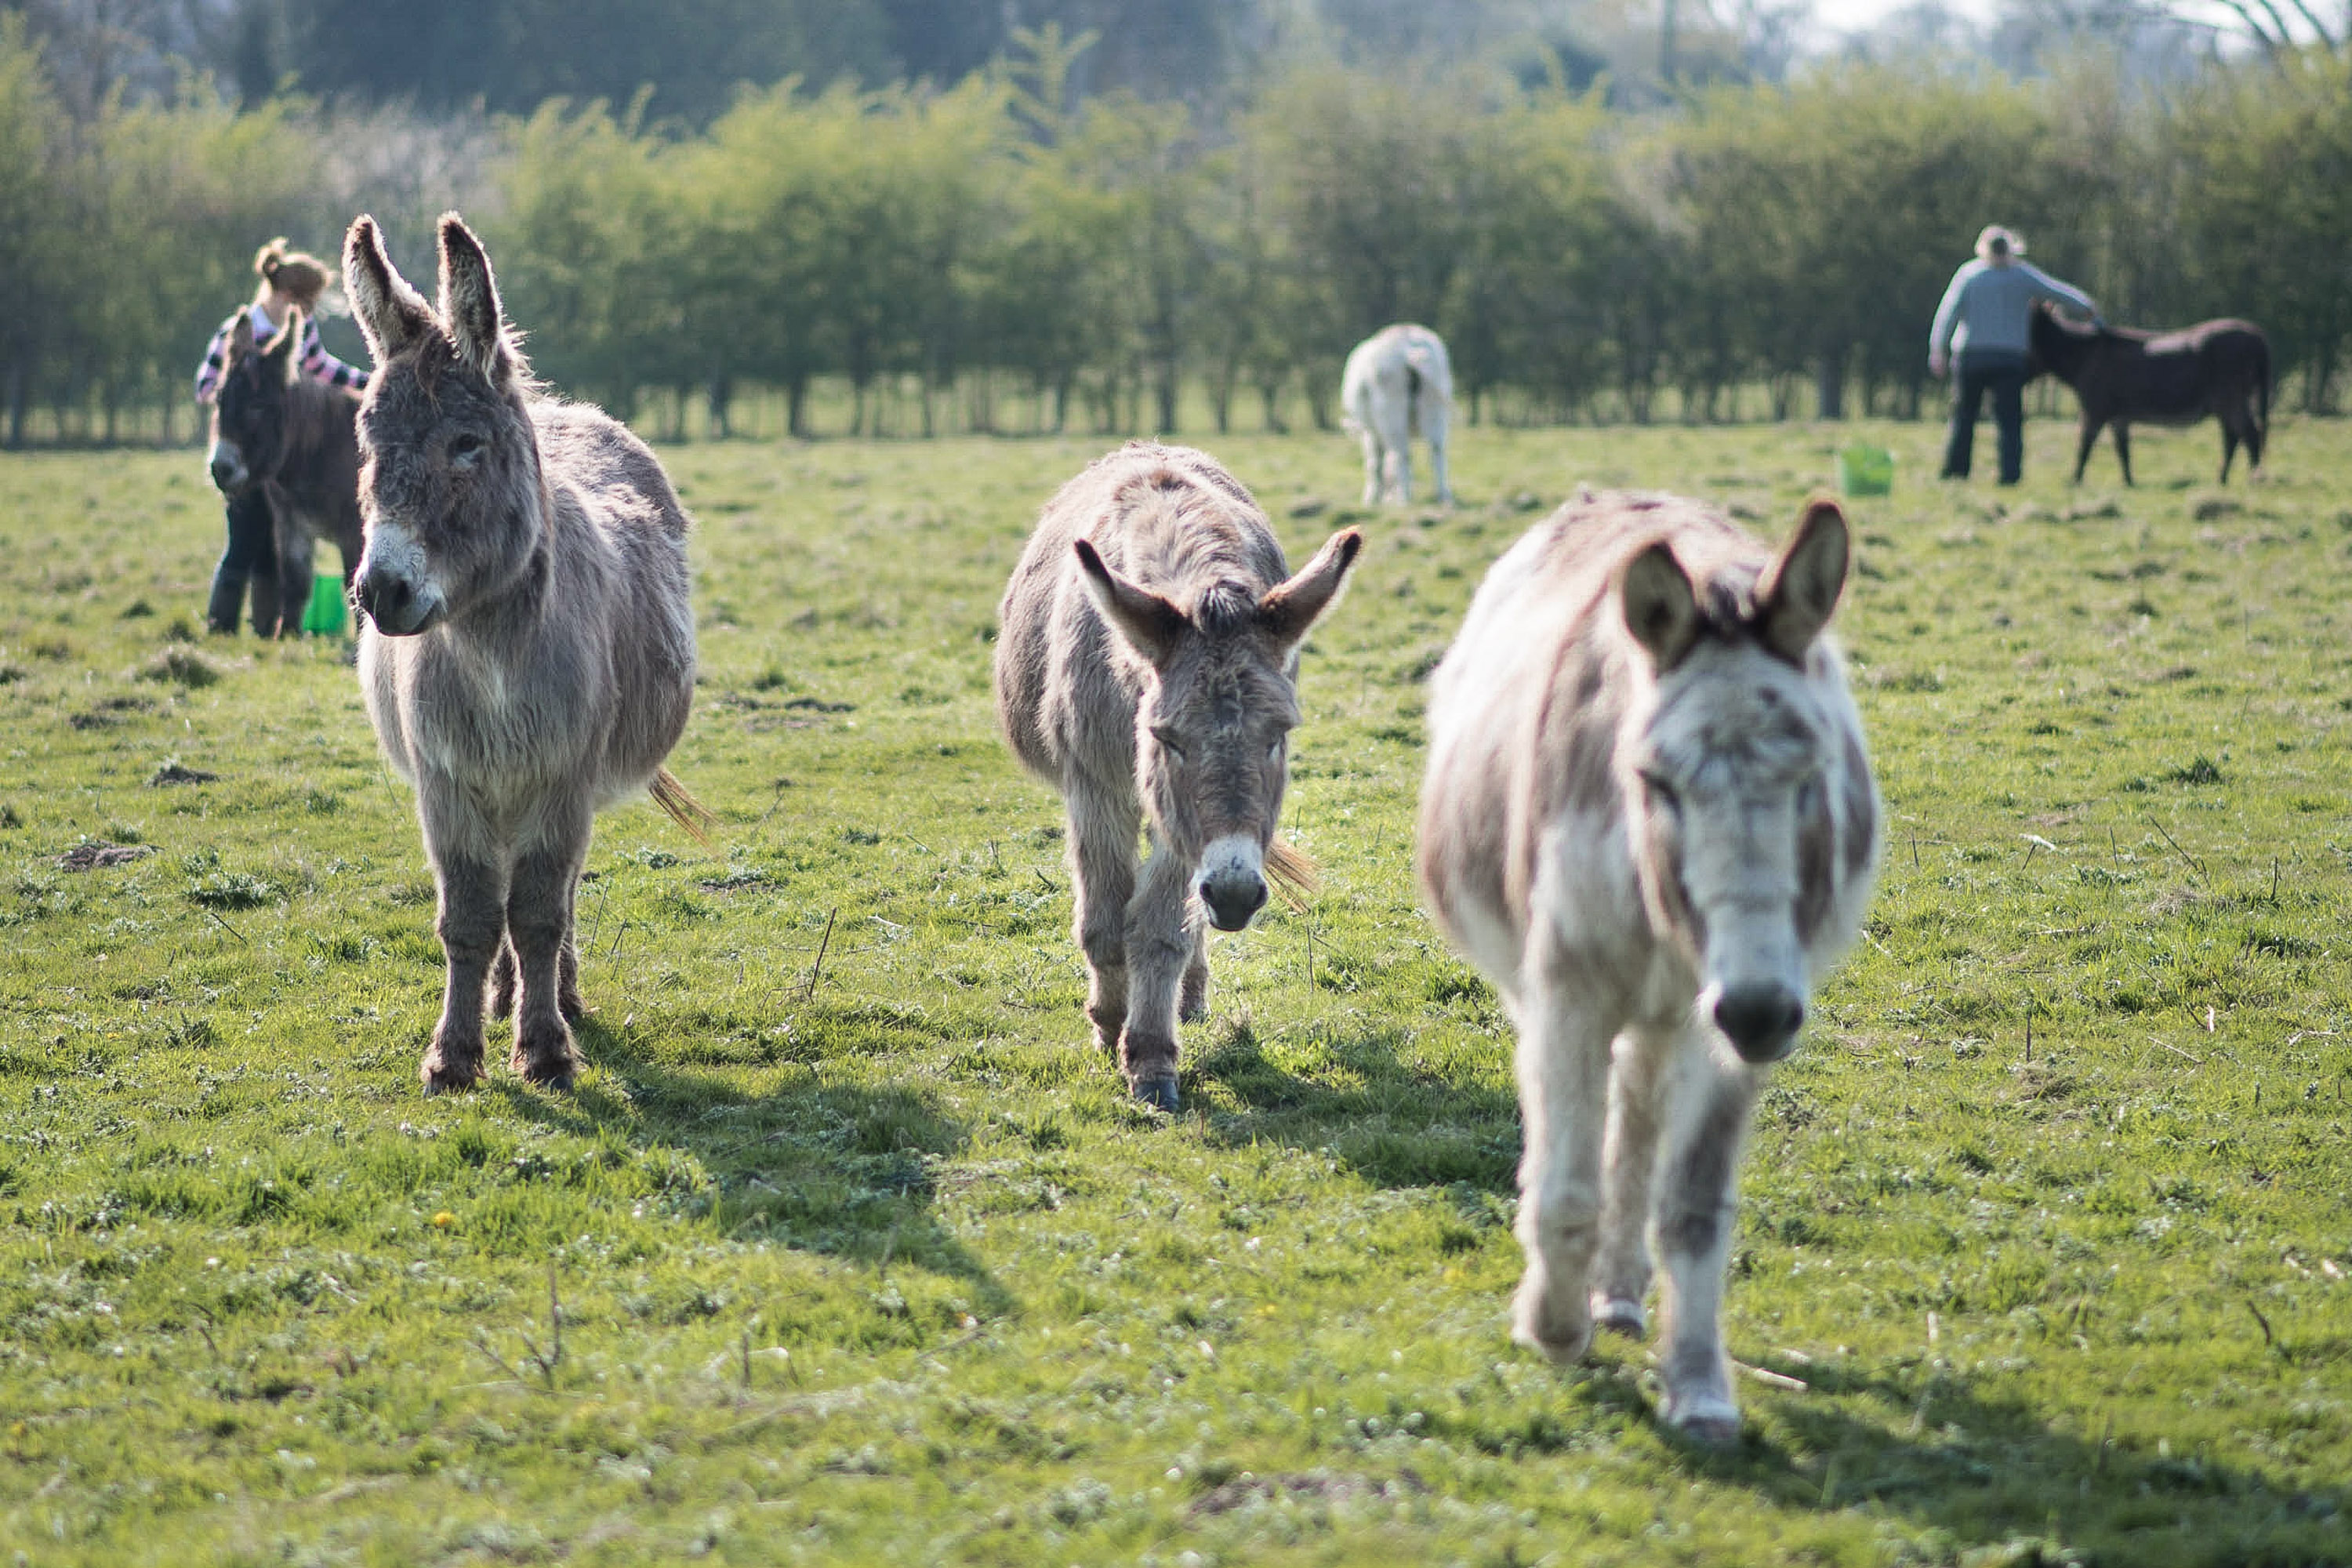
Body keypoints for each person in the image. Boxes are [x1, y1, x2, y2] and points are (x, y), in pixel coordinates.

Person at [193, 239, 372, 635]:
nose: (310, 313)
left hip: (279, 455)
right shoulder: (237, 332)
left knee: (271, 549)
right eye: (308, 303)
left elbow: (323, 369)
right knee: (245, 538)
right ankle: (220, 626)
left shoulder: (300, 329)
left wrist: (373, 383)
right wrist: (237, 386)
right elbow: (206, 385)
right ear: (290, 296)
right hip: (242, 449)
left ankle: (268, 630)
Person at [1928, 225, 2095, 486]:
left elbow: (1947, 313)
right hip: (2009, 359)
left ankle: (1956, 473)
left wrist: (1937, 349)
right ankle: (2009, 476)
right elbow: (2056, 291)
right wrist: (2086, 307)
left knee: (1964, 417)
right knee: (2009, 421)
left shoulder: (1969, 274)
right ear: (2012, 248)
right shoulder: (2022, 275)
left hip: (1971, 356)